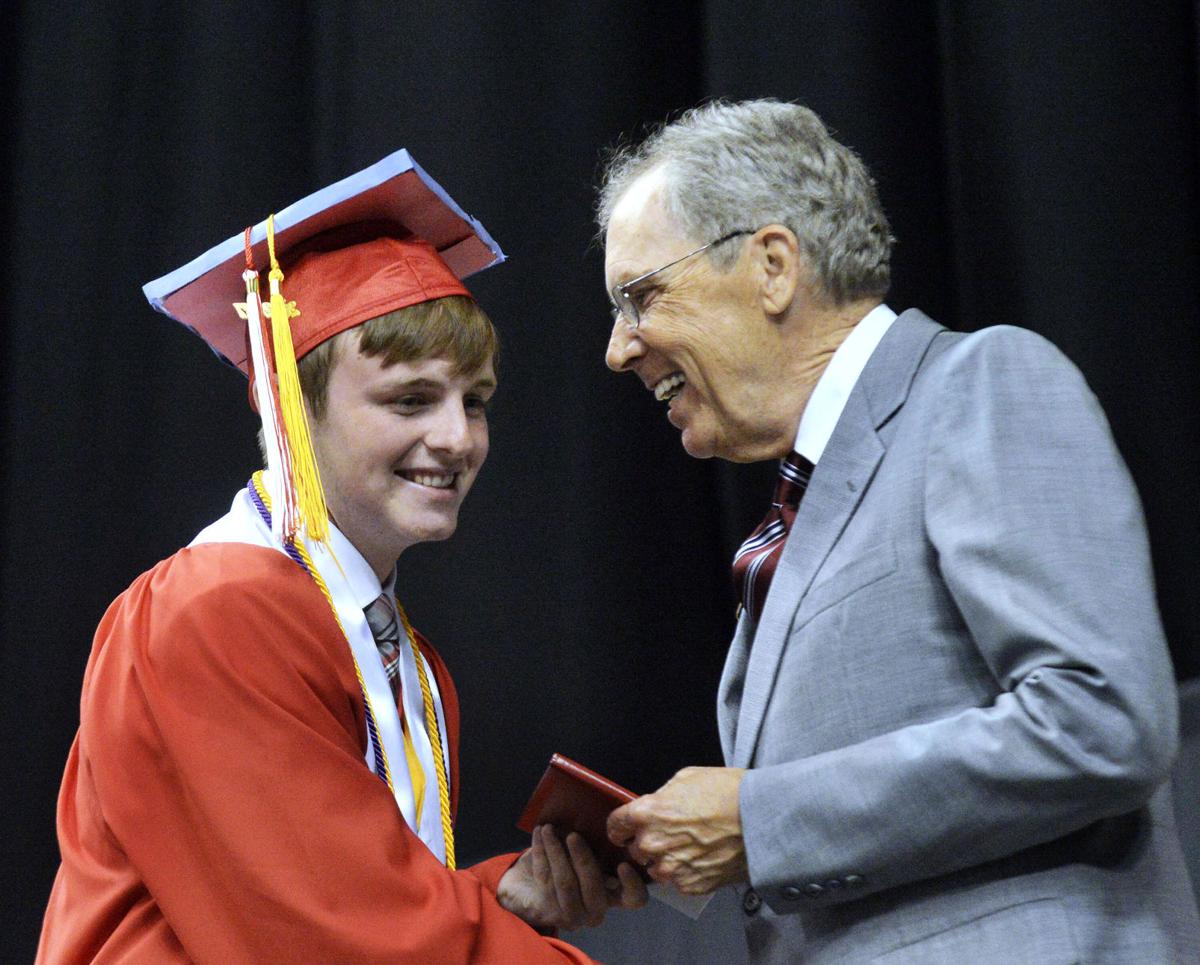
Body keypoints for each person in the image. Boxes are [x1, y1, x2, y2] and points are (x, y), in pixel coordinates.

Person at [598, 99, 1200, 963]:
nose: (619, 348)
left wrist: (760, 819)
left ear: (772, 266)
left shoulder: (980, 385)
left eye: (641, 295)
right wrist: (655, 845)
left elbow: (1099, 715)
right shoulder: (800, 504)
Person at [38, 152, 644, 963]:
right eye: (410, 399)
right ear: (292, 407)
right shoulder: (215, 613)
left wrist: (498, 892)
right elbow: (342, 943)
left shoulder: (384, 641)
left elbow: (343, 899)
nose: (458, 438)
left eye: (476, 400)